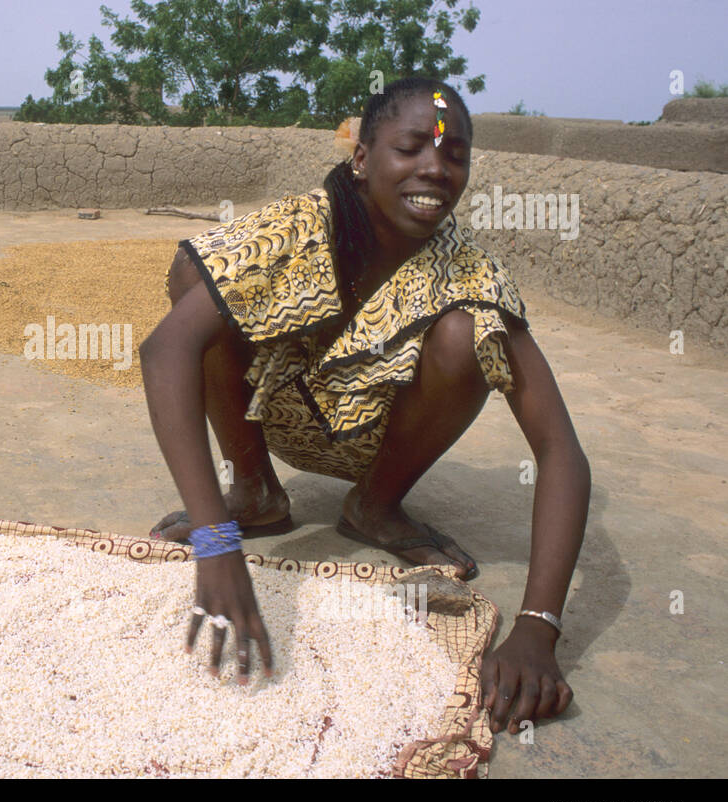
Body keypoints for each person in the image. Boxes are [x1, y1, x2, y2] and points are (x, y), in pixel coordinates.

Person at [139, 77, 591, 736]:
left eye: (455, 154)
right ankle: (257, 493)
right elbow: (164, 351)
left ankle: (374, 505)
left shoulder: (468, 273)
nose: (435, 167)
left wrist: (537, 629)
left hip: (381, 436)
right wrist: (215, 541)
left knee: (472, 332)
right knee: (200, 280)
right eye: (411, 147)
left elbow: (561, 452)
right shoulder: (302, 227)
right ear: (361, 159)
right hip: (278, 411)